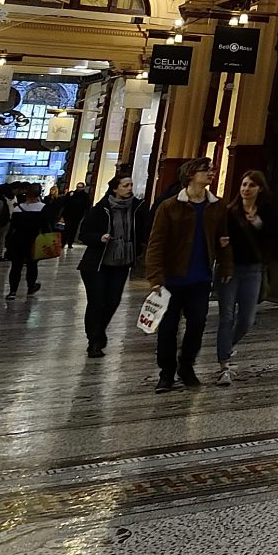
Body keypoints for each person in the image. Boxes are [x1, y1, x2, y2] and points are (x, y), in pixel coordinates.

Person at [143, 160, 230, 392]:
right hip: (172, 278)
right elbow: (156, 243)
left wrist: (226, 267)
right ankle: (166, 373)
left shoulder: (217, 206)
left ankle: (186, 365)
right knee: (168, 328)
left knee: (197, 324)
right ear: (191, 175)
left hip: (200, 279)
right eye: (205, 170)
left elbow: (223, 240)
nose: (211, 173)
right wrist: (155, 277)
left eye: (211, 170)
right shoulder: (169, 206)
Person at [76, 170, 146, 356]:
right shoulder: (102, 208)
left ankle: (99, 332)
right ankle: (94, 340)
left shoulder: (137, 209)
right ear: (115, 189)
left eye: (131, 185)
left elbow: (145, 231)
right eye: (125, 185)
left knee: (113, 301)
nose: (129, 189)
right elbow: (84, 233)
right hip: (98, 264)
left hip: (122, 263)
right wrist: (99, 237)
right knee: (97, 301)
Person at [216, 169, 270, 384]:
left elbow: (274, 238)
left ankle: (226, 348)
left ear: (260, 188)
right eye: (244, 184)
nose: (246, 189)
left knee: (247, 319)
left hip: (253, 270)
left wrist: (258, 224)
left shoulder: (267, 212)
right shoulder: (230, 211)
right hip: (230, 270)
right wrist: (221, 244)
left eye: (251, 185)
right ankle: (224, 365)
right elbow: (219, 235)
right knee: (226, 316)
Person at [3, 183, 51, 298]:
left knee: (16, 266)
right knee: (32, 264)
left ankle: (13, 291)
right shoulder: (42, 208)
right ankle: (30, 287)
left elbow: (12, 226)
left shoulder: (17, 208)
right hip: (34, 239)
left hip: (18, 239)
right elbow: (45, 226)